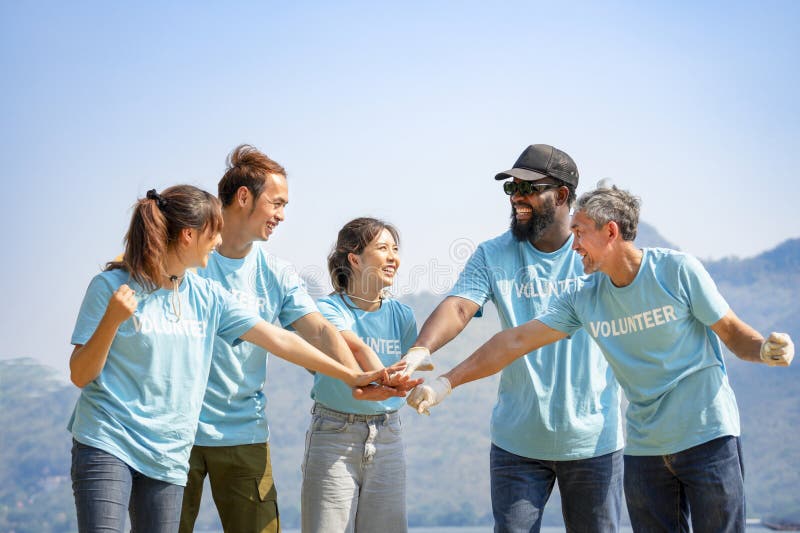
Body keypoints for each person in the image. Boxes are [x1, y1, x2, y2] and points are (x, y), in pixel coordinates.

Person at [408, 185, 795, 533]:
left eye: (580, 233)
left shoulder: (676, 271)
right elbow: (514, 341)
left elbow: (731, 332)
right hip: (645, 451)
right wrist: (446, 382)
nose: (573, 245)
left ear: (610, 232)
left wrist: (764, 349)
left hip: (707, 435)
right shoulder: (585, 297)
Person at [69, 185, 390, 533]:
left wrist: (349, 375)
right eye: (213, 232)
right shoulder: (110, 287)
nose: (219, 241)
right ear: (190, 235)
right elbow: (81, 374)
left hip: (167, 453)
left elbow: (279, 339)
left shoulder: (207, 295)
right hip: (107, 440)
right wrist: (112, 319)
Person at [179, 145, 409, 533]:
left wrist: (358, 379)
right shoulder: (188, 257)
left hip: (243, 433)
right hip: (177, 430)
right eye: (277, 203)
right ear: (243, 197)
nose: (282, 216)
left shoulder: (276, 272)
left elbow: (319, 330)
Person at [401, 144, 624, 532]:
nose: (517, 197)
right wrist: (422, 348)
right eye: (512, 188)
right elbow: (458, 307)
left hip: (594, 442)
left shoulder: (594, 252)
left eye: (528, 187)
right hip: (517, 444)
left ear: (563, 195)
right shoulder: (493, 254)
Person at [301, 217, 421, 533]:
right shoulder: (326, 309)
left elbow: (409, 369)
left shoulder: (403, 315)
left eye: (395, 249)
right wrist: (381, 374)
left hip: (388, 436)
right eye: (382, 248)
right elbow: (351, 346)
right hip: (335, 434)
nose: (393, 257)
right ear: (354, 259)